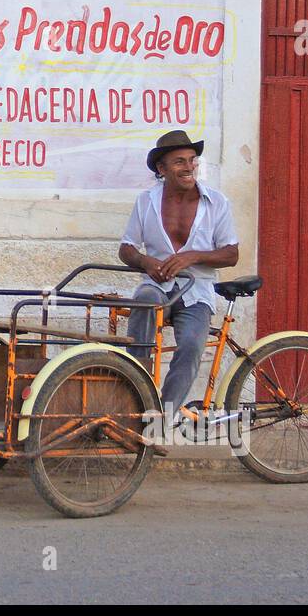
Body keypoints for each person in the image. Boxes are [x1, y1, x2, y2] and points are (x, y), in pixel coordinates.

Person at [118, 130, 238, 426]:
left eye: (192, 160)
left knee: (193, 345)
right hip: (158, 285)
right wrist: (146, 262)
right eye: (179, 162)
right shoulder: (146, 201)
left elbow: (231, 254)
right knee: (144, 302)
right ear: (162, 169)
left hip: (197, 290)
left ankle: (163, 415)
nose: (188, 167)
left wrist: (193, 256)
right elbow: (126, 248)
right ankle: (139, 396)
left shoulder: (217, 203)